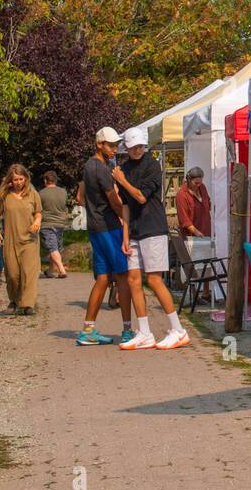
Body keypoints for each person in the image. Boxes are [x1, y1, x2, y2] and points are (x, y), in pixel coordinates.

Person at [110, 127, 190, 350]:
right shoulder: (123, 168)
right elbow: (126, 205)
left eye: (140, 146)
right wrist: (125, 236)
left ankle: (178, 329)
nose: (137, 150)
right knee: (134, 279)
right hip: (135, 230)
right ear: (126, 146)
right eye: (133, 146)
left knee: (154, 279)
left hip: (153, 229)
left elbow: (141, 196)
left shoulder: (152, 165)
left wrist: (122, 180)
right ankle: (144, 332)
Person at [75, 127, 134, 345]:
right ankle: (127, 330)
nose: (115, 149)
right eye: (110, 145)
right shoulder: (100, 168)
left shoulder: (89, 165)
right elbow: (115, 201)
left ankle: (88, 329)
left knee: (102, 278)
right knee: (122, 277)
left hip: (95, 227)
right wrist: (128, 219)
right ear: (99, 144)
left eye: (116, 144)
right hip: (109, 227)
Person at [0, 164, 42, 315]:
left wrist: (37, 221)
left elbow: (38, 212)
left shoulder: (33, 194)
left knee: (28, 273)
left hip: (29, 240)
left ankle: (27, 305)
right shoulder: (4, 196)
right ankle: (14, 300)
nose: (19, 182)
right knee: (12, 274)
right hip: (11, 240)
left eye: (21, 179)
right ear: (10, 181)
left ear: (26, 178)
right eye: (15, 179)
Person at [38, 170, 70, 279]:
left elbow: (38, 209)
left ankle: (62, 270)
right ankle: (50, 271)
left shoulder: (41, 193)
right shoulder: (63, 192)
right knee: (55, 247)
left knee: (52, 248)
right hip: (61, 223)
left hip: (47, 223)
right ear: (55, 180)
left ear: (45, 180)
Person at [175, 167, 211, 238]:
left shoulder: (202, 187)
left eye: (200, 182)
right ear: (188, 180)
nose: (198, 185)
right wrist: (196, 232)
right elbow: (184, 219)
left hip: (206, 232)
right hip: (191, 236)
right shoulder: (182, 195)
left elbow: (208, 204)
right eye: (196, 183)